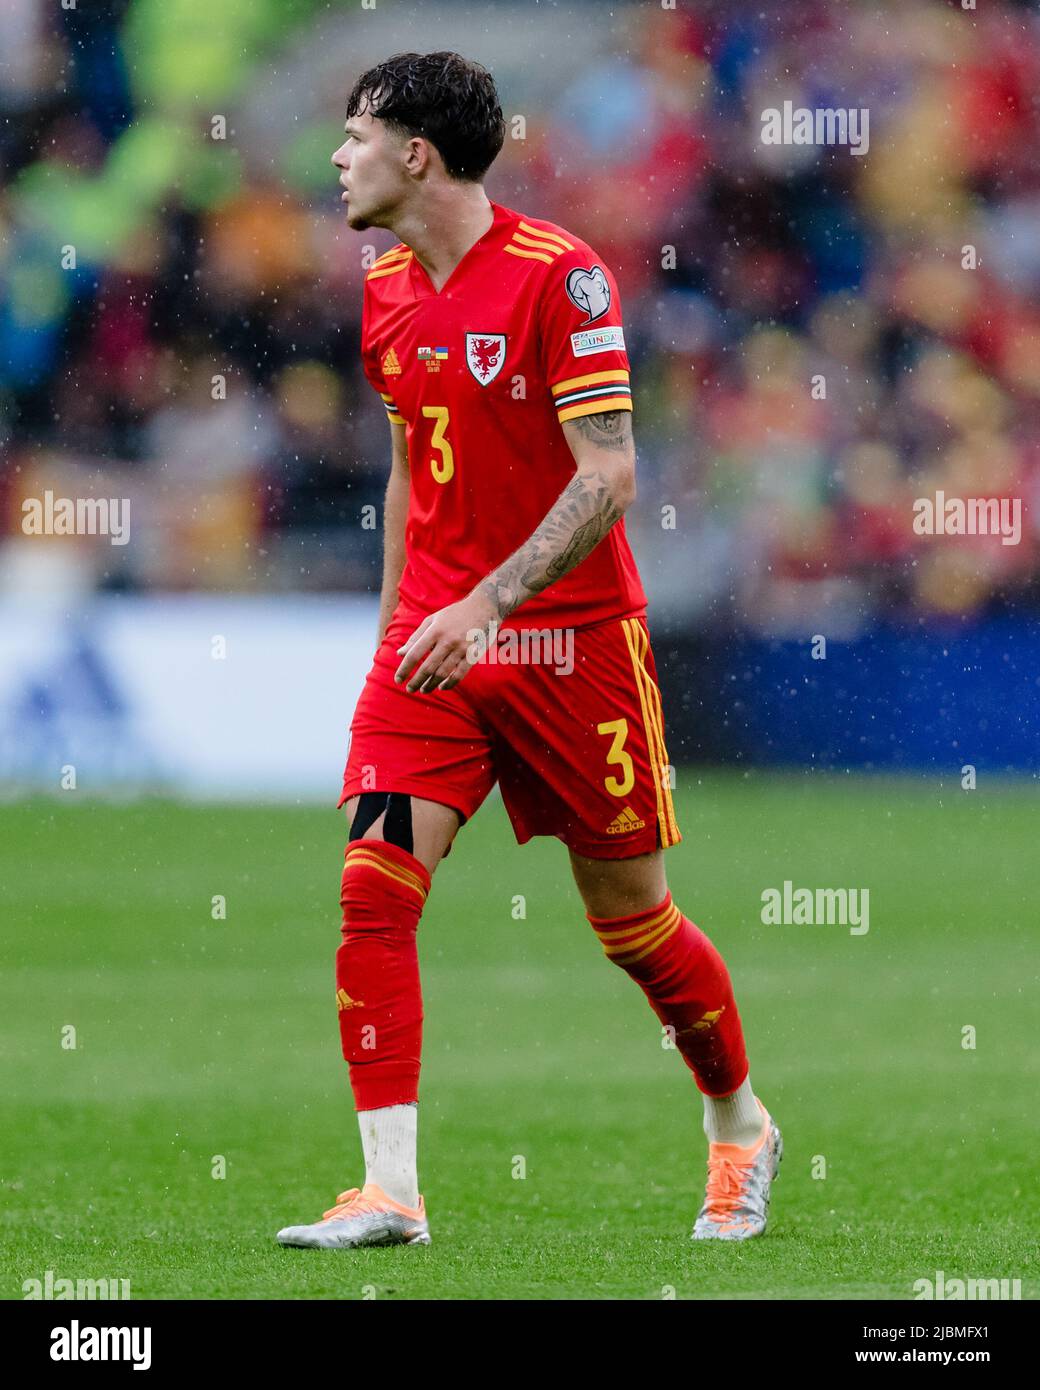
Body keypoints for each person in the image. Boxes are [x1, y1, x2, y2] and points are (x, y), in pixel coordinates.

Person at [276, 50, 781, 1251]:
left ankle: (737, 1125)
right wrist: (398, 625)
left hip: (570, 648)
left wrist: (487, 604)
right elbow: (411, 467)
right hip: (436, 648)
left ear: (416, 153)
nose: (336, 159)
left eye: (354, 136)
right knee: (370, 888)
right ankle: (389, 1189)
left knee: (633, 927)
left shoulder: (564, 280)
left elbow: (607, 476)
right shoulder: (386, 288)